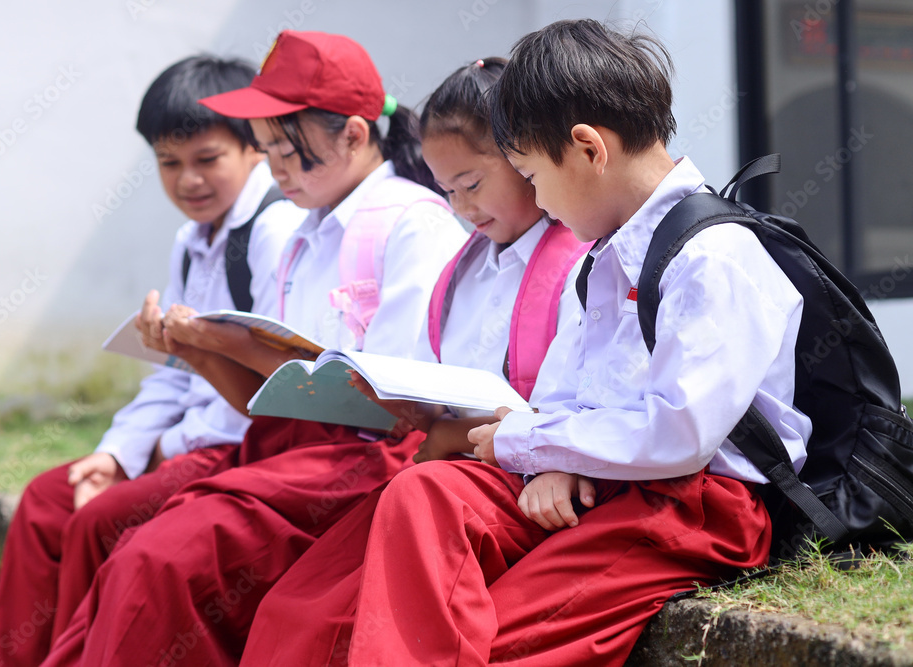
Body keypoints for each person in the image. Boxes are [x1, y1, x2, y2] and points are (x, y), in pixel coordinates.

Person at [297, 20, 812, 666]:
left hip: (691, 505)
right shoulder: (605, 256)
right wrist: (556, 457)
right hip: (605, 475)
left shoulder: (714, 256)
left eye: (532, 175)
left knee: (505, 642)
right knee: (422, 494)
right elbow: (566, 391)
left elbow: (680, 433)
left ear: (588, 149)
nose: (537, 199)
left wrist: (542, 445)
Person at [40, 30, 466, 667]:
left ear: (354, 134)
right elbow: (265, 402)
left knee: (157, 561)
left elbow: (391, 405)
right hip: (285, 452)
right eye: (267, 150)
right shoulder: (302, 232)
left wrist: (227, 342)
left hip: (365, 464)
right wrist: (199, 349)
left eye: (288, 151)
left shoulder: (412, 221)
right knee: (138, 554)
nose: (276, 169)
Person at [239, 55, 596, 666]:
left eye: (472, 185)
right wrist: (406, 406)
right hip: (443, 466)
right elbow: (435, 377)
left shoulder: (582, 260)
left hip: (513, 480)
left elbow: (578, 403)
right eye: (447, 190)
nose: (461, 207)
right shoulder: (463, 269)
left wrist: (455, 434)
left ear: (525, 158)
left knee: (352, 622)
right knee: (296, 606)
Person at [0, 55, 307, 667]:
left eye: (207, 159)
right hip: (185, 440)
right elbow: (171, 376)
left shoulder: (276, 233)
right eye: (169, 163)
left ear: (254, 148)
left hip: (238, 446)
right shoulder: (192, 242)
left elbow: (269, 387)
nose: (189, 180)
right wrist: (116, 453)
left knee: (97, 522)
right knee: (47, 501)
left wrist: (163, 448)